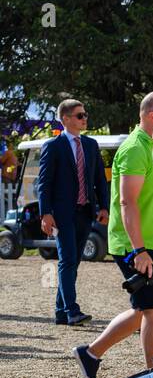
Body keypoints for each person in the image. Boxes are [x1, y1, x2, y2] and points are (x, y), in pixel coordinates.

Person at [73, 91, 153, 378]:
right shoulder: (135, 148)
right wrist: (139, 251)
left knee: (143, 309)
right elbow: (127, 202)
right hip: (139, 244)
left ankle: (90, 354)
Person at [37, 98, 109, 326]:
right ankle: (72, 310)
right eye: (80, 115)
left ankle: (61, 311)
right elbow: (44, 183)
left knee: (73, 261)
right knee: (67, 260)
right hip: (61, 215)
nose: (84, 118)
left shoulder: (90, 144)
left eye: (85, 114)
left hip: (85, 212)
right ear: (66, 119)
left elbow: (99, 179)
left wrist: (104, 206)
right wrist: (45, 213)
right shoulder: (53, 146)